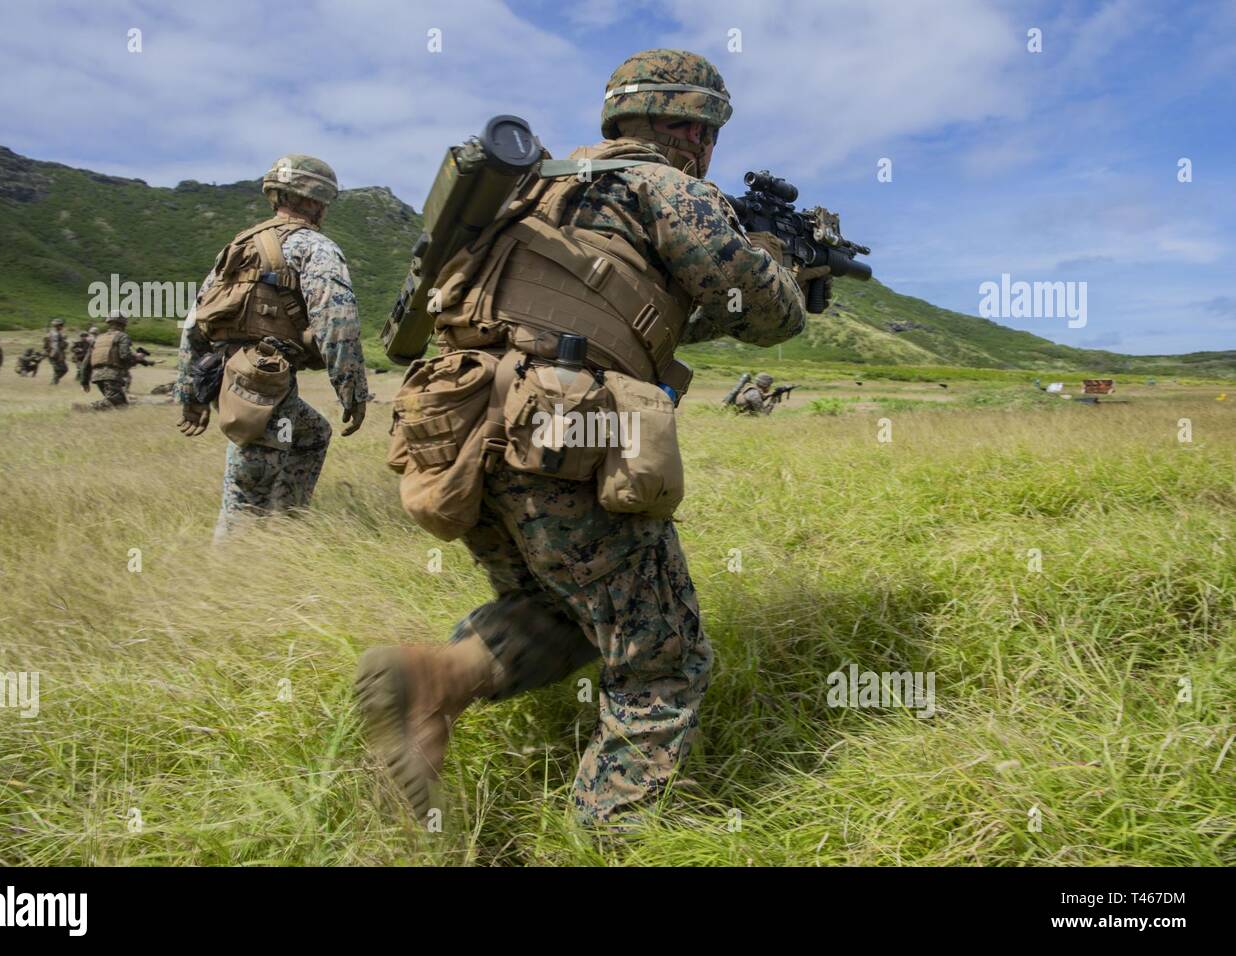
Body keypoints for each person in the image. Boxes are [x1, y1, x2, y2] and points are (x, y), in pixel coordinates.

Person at [355, 49, 827, 828]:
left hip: (461, 433)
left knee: (566, 608)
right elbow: (770, 316)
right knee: (663, 663)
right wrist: (782, 260)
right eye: (706, 135)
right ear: (692, 129)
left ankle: (432, 680)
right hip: (563, 435)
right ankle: (608, 835)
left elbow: (627, 309)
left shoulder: (531, 191)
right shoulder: (667, 187)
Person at [173, 154, 370, 541]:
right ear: (316, 201)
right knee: (246, 497)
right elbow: (339, 322)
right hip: (262, 383)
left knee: (310, 435)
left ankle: (285, 531)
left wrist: (190, 395)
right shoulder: (316, 247)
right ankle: (241, 568)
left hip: (231, 376)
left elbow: (195, 323)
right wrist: (353, 392)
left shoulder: (237, 248)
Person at [81, 312, 153, 409]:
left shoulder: (98, 339)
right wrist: (136, 359)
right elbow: (125, 356)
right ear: (124, 323)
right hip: (112, 375)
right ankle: (87, 408)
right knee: (116, 402)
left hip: (97, 377)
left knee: (121, 406)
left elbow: (86, 362)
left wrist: (84, 381)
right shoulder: (122, 336)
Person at [43, 319, 68, 385]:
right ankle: (54, 382)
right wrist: (59, 355)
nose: (62, 326)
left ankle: (54, 382)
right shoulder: (56, 334)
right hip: (55, 354)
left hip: (53, 354)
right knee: (62, 369)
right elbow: (56, 346)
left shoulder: (51, 333)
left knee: (59, 369)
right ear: (57, 326)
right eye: (61, 325)